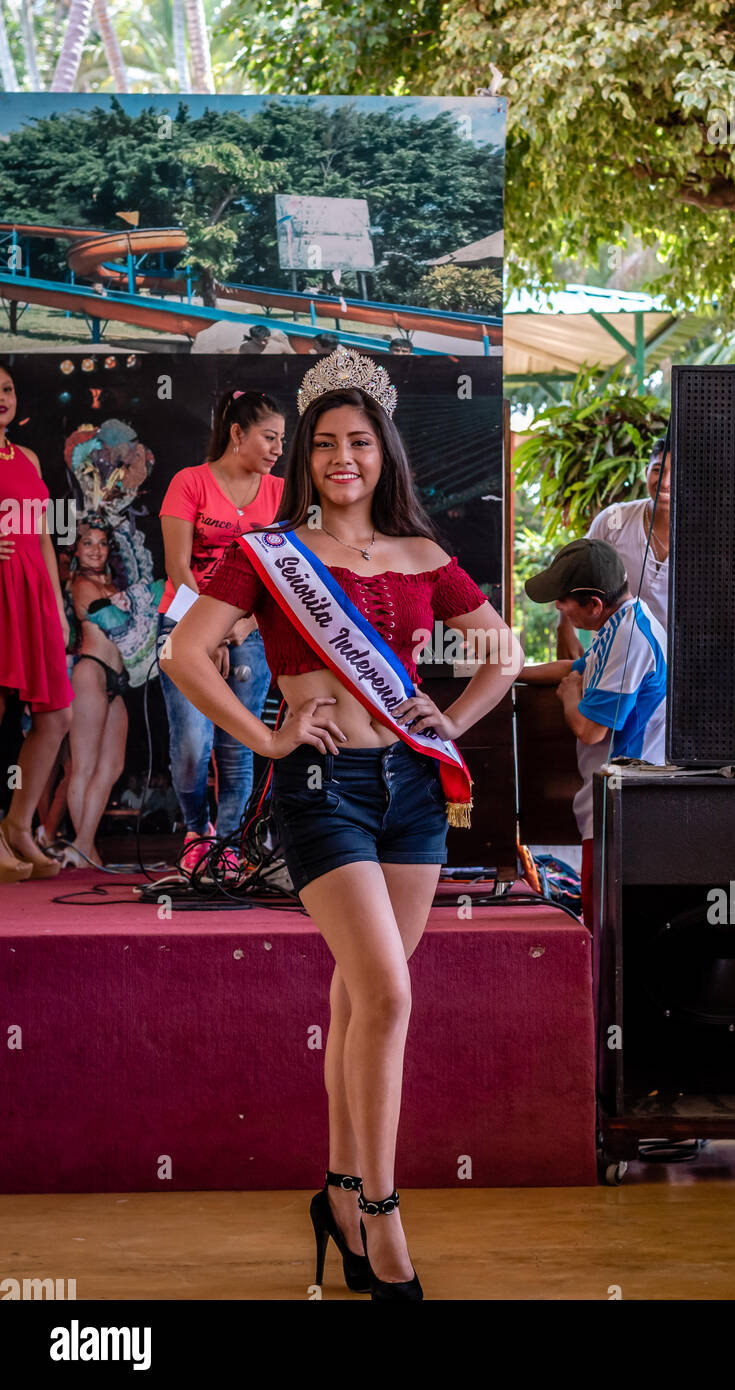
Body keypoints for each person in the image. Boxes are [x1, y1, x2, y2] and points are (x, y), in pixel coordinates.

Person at [161, 346, 521, 1298]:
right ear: (304, 459)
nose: (342, 458)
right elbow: (185, 655)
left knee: (361, 1002)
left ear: (383, 450)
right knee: (390, 998)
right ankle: (385, 1216)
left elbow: (505, 656)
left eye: (358, 441)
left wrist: (457, 718)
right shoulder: (269, 557)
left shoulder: (424, 557)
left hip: (409, 794)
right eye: (323, 444)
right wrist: (266, 739)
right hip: (322, 792)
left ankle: (339, 1192)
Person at [157, 389, 285, 876]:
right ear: (237, 434)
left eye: (282, 440)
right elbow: (178, 565)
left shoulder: (280, 492)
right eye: (269, 438)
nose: (277, 450)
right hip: (184, 624)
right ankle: (197, 829)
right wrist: (205, 636)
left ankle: (231, 843)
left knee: (240, 742)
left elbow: (280, 573)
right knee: (192, 743)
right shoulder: (189, 482)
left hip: (250, 630)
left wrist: (238, 628)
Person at [521, 538, 666, 929]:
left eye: (564, 601)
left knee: (604, 922)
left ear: (594, 605)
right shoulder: (619, 623)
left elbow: (589, 729)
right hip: (607, 800)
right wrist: (510, 673)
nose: (558, 608)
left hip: (623, 805)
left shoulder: (629, 639)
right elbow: (576, 667)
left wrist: (570, 696)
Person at [0, 359, 74, 882]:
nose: (1, 396)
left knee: (56, 716)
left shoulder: (25, 455)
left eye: (5, 388)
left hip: (34, 594)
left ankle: (18, 825)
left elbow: (44, 535)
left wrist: (58, 607)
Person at [558, 435, 671, 660]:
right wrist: (565, 629)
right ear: (646, 470)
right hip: (615, 657)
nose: (665, 481)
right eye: (658, 469)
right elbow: (576, 569)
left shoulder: (708, 534)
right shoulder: (615, 519)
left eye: (676, 470)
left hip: (677, 665)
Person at [60, 519, 130, 867]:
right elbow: (112, 616)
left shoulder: (113, 583)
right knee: (83, 766)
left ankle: (83, 844)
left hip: (116, 680)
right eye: (88, 543)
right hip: (90, 672)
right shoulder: (79, 583)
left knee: (113, 765)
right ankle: (83, 846)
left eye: (102, 543)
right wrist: (132, 602)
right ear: (76, 549)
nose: (96, 549)